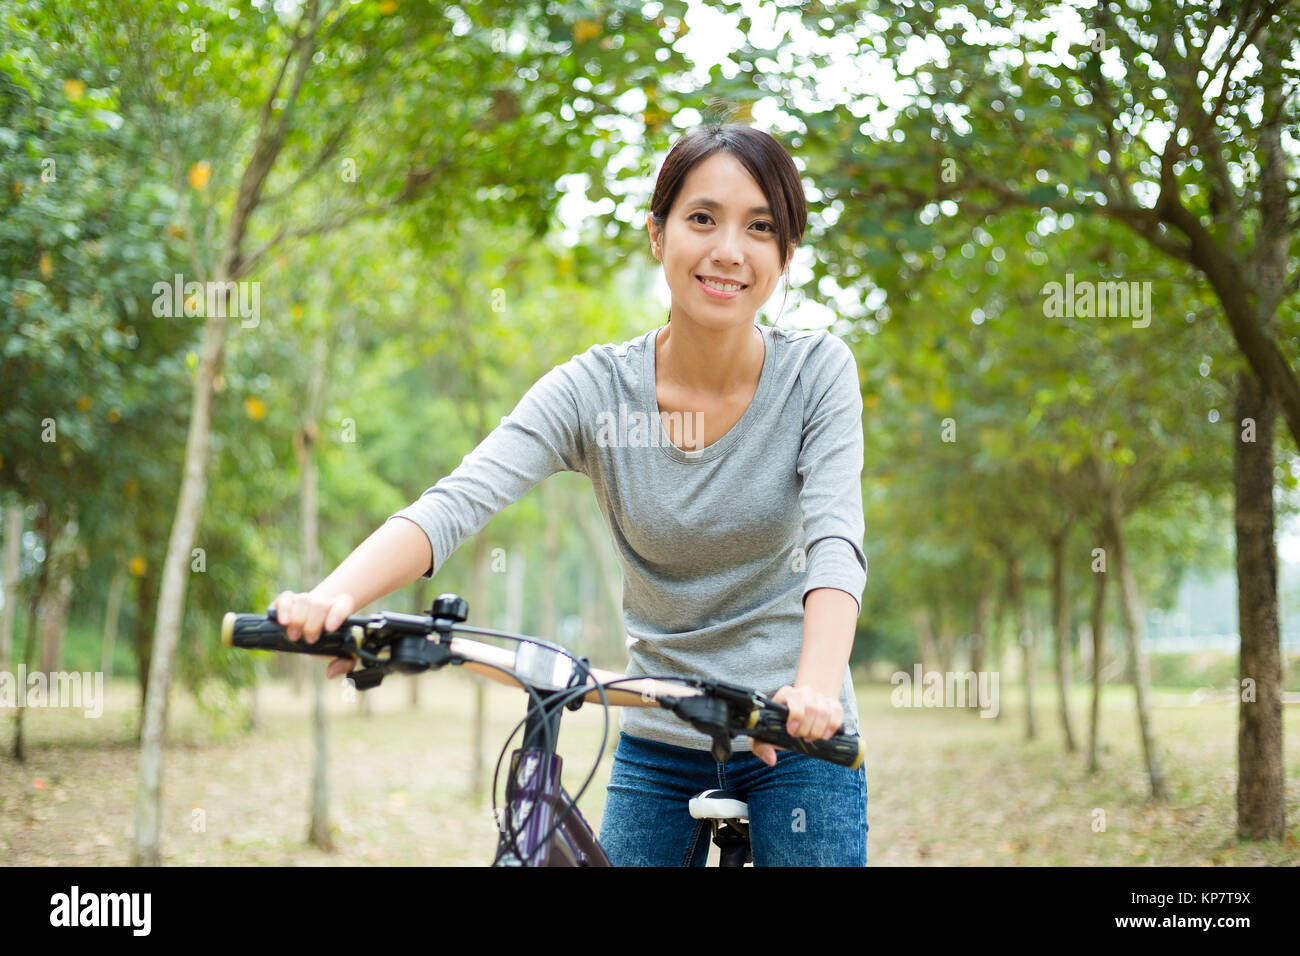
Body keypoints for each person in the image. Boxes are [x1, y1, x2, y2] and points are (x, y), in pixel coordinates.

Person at [272, 122, 868, 866]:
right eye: (702, 218)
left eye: (761, 227)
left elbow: (836, 541)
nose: (728, 251)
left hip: (795, 732)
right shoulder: (595, 390)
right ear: (658, 235)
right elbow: (460, 498)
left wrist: (812, 692)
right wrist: (334, 596)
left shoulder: (817, 374)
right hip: (660, 728)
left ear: (786, 254)